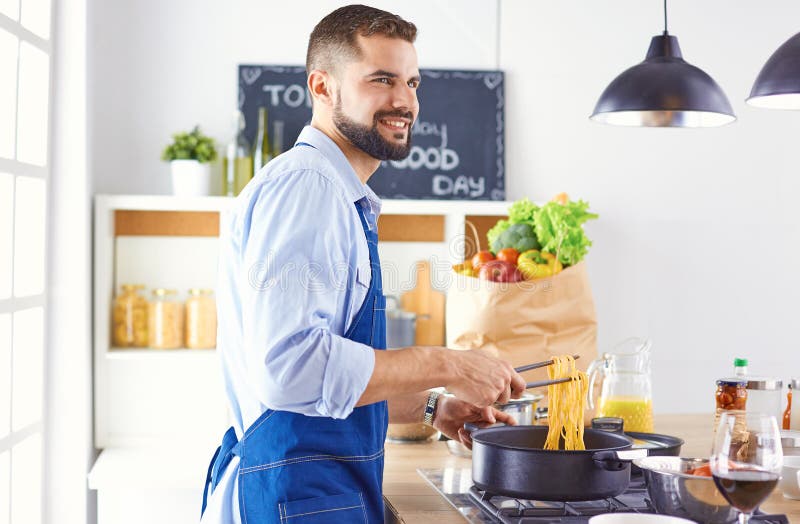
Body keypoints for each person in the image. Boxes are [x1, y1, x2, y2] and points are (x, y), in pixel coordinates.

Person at [200, 5, 526, 523]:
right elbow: (290, 369)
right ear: (322, 87)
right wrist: (450, 364)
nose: (405, 101)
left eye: (413, 82)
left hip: (307, 494)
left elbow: (324, 385)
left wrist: (430, 408)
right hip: (294, 497)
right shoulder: (310, 187)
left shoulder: (335, 193)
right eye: (382, 79)